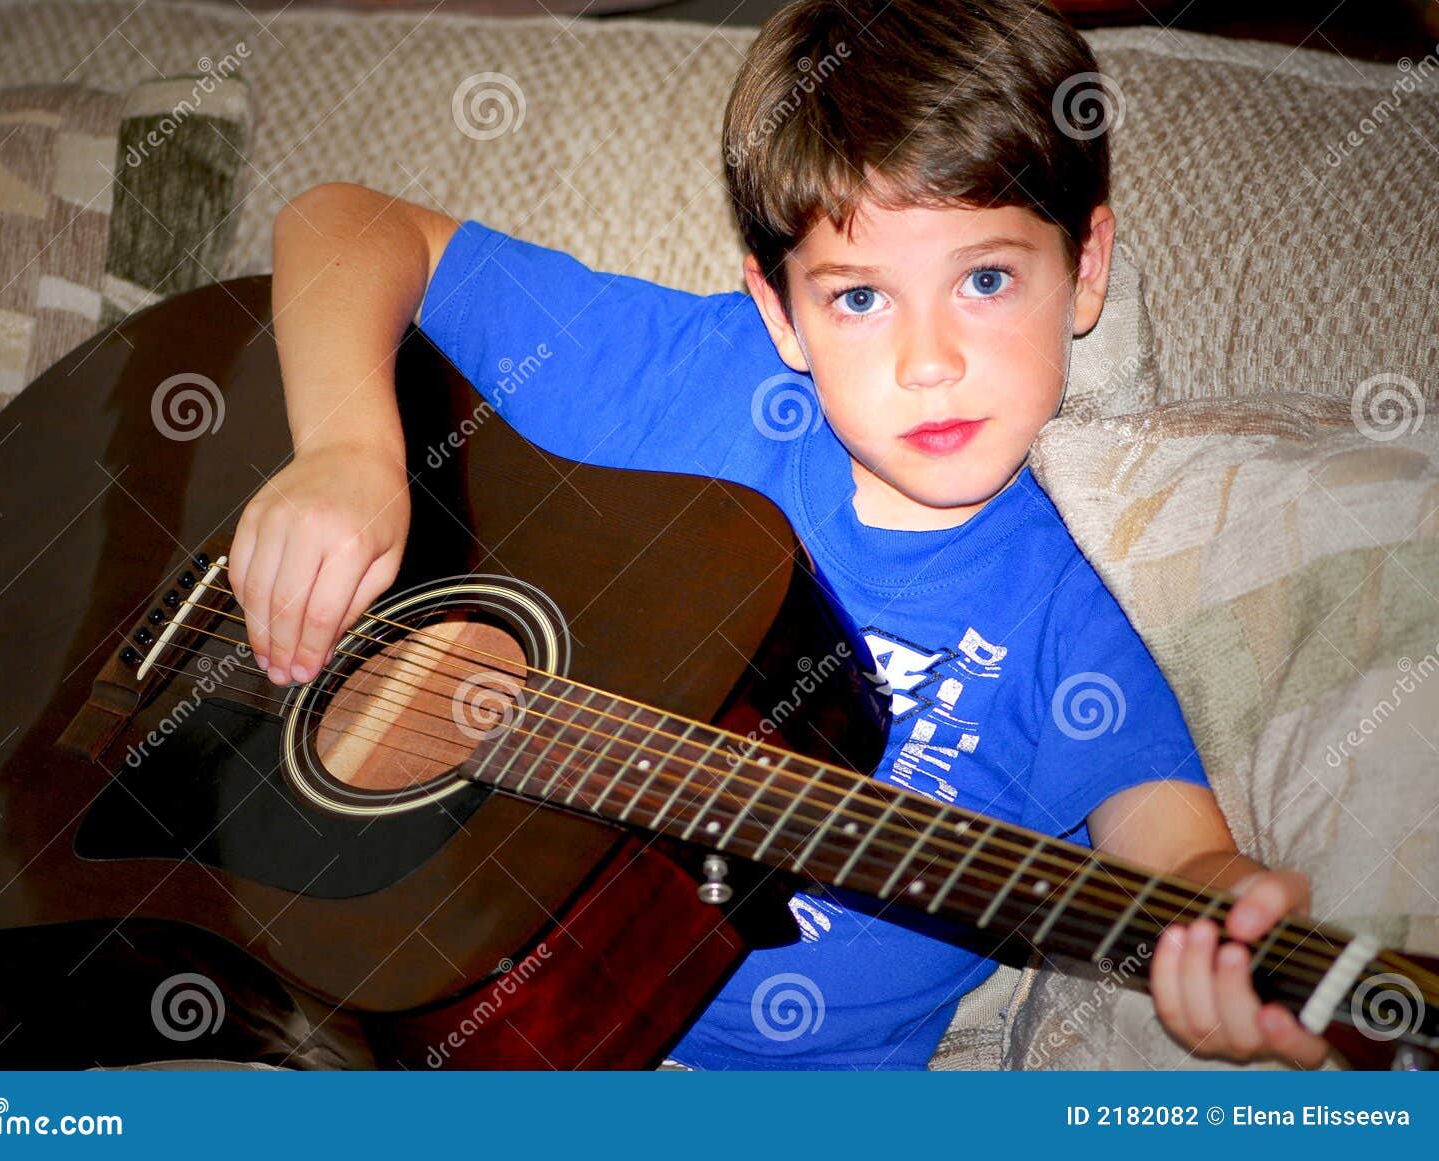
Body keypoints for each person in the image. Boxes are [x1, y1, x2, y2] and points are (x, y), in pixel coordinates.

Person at [231, 0, 1330, 1069]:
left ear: (1083, 271)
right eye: (859, 299)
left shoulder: (1085, 586)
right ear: (779, 310)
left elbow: (1178, 853)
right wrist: (346, 453)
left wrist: (1231, 937)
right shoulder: (699, 379)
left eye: (984, 279)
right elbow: (341, 222)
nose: (928, 360)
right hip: (436, 991)